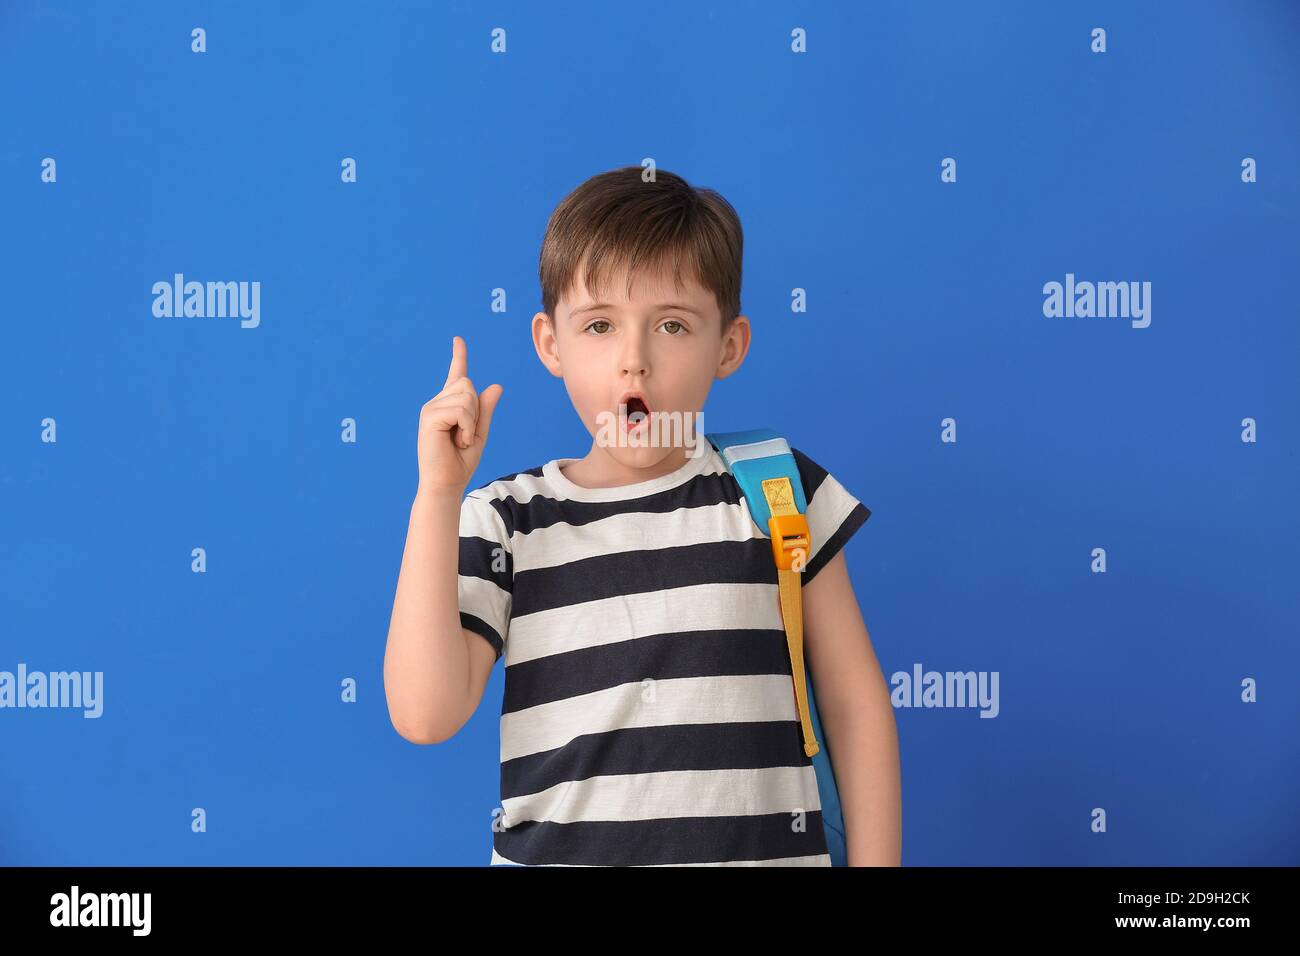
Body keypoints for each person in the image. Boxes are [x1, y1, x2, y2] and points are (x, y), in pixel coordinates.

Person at [383, 166, 901, 866]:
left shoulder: (778, 491)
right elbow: (424, 714)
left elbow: (855, 705)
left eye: (672, 325)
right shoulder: (508, 520)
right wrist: (436, 496)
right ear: (550, 344)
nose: (635, 362)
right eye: (599, 325)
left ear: (729, 345)